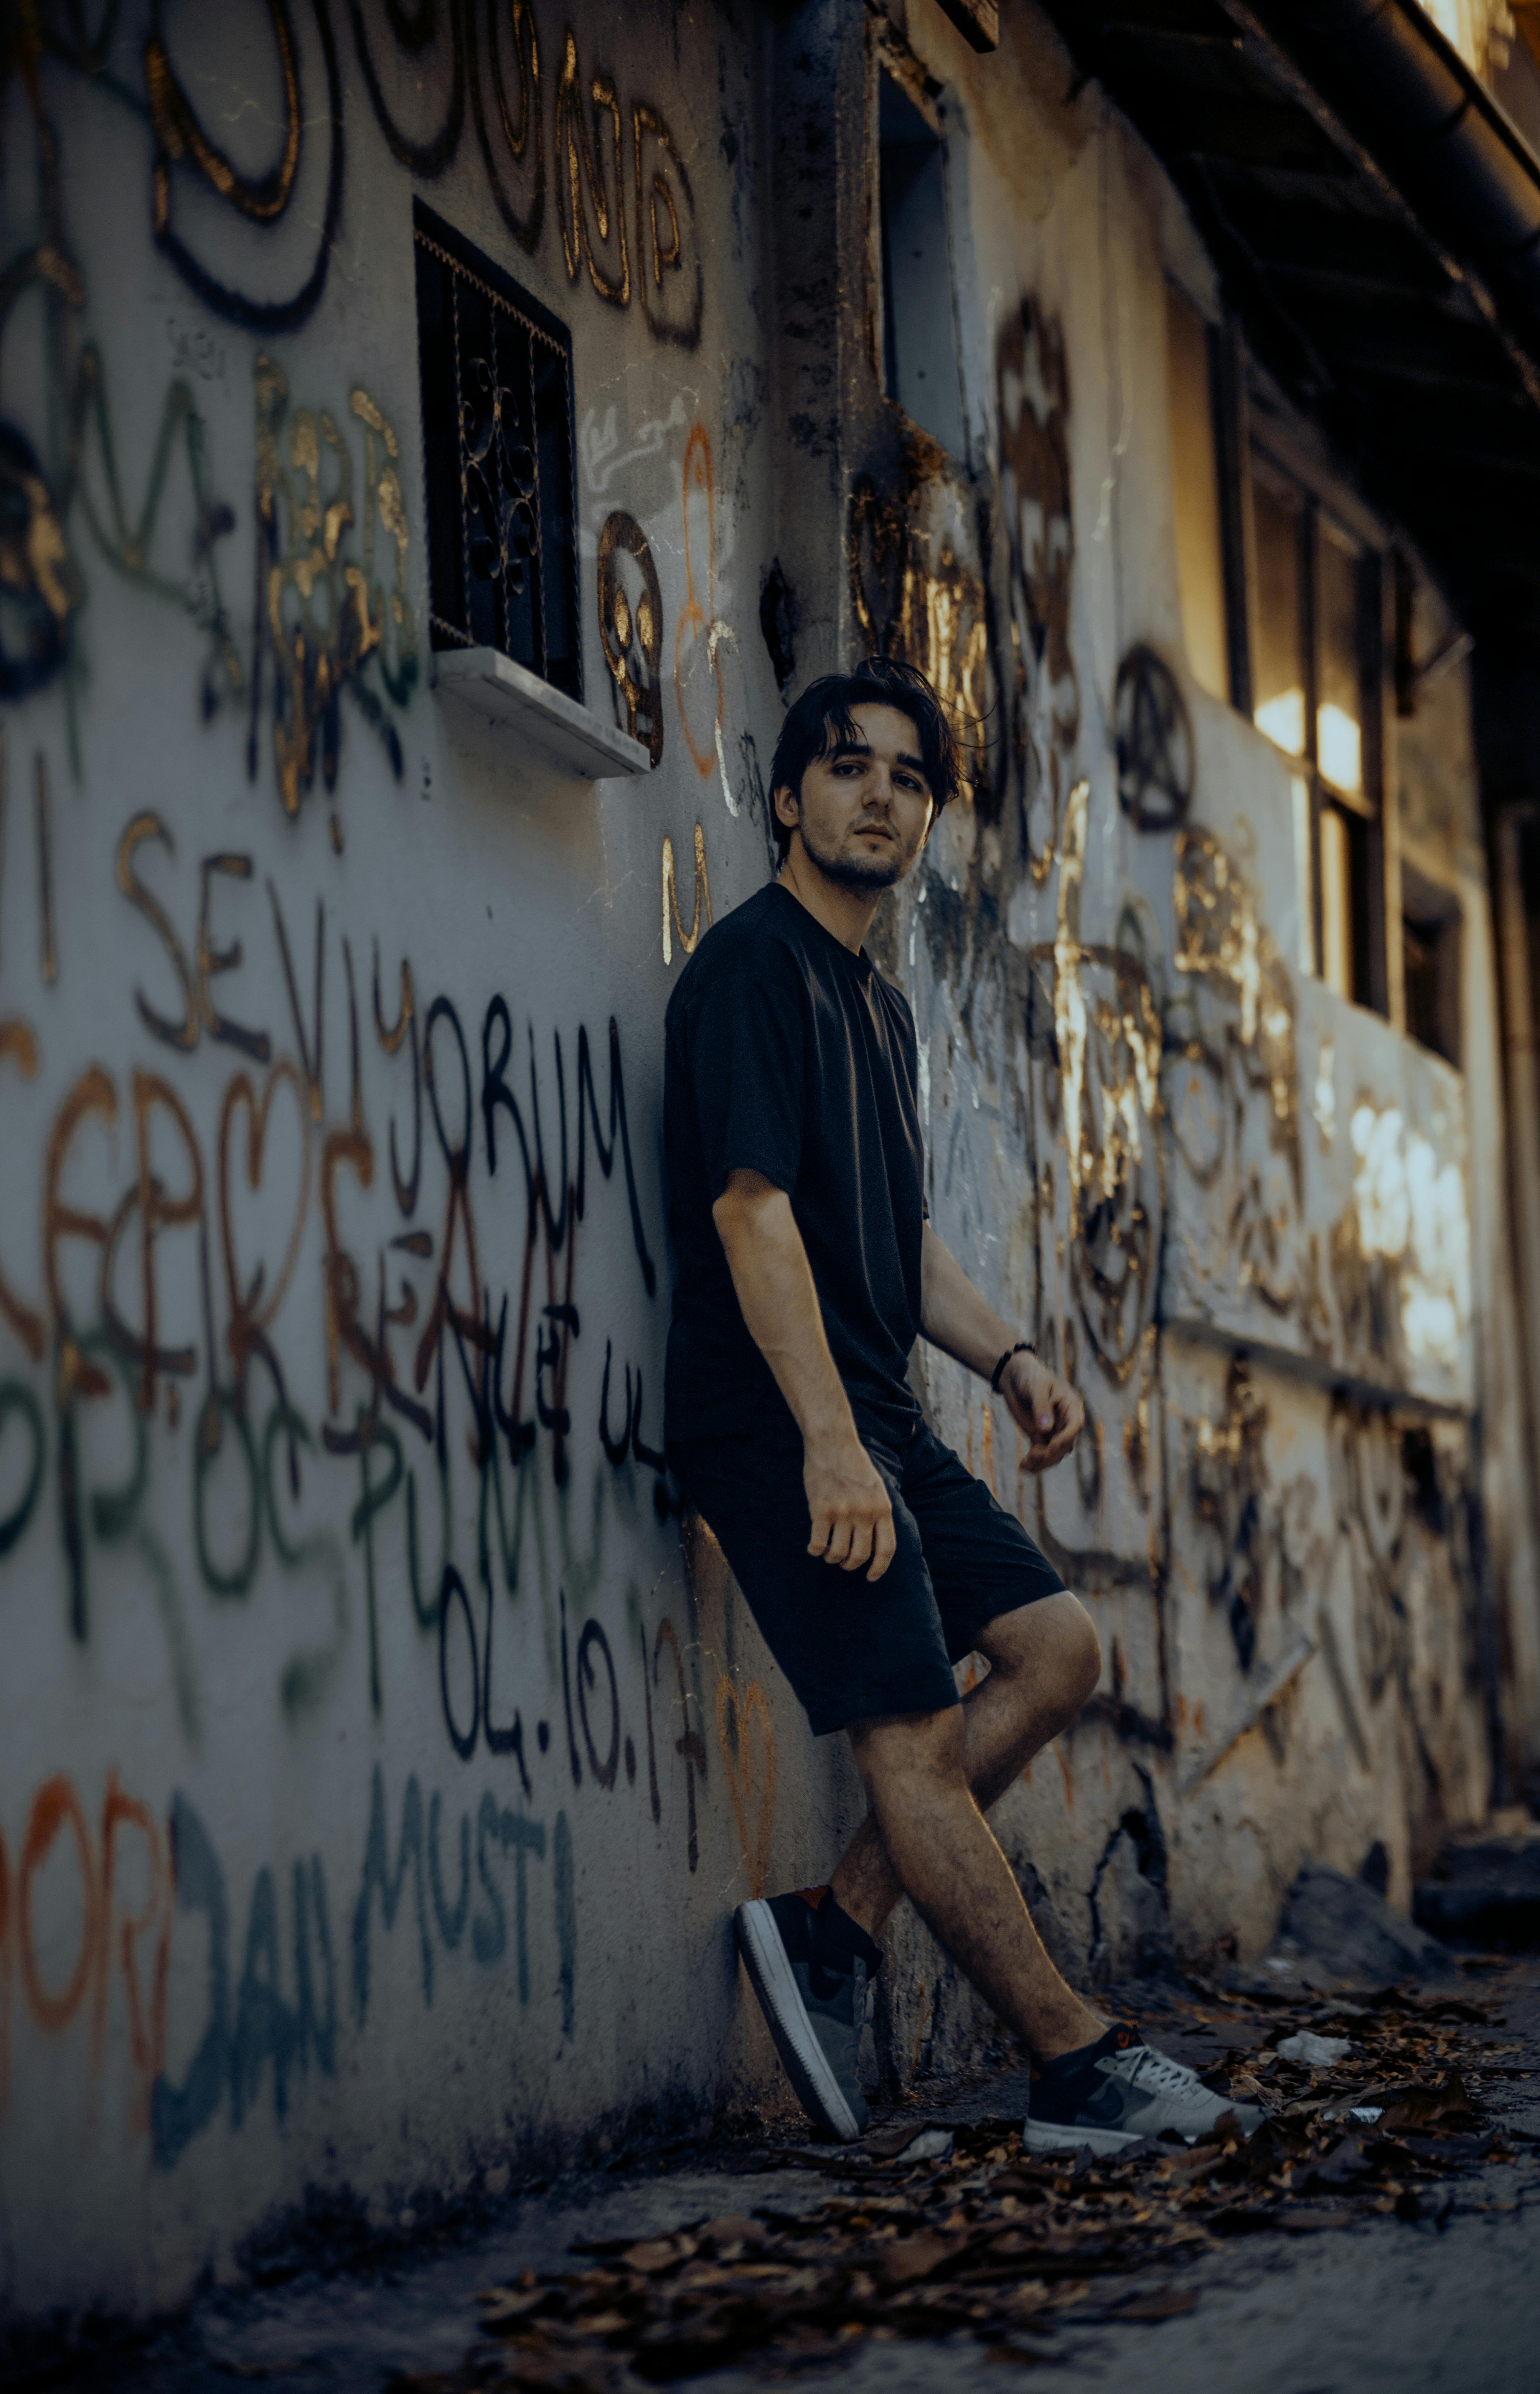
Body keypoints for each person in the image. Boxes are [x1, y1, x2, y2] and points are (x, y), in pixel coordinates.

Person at [662, 656, 1258, 2154]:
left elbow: (895, 1229)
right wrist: (822, 1445)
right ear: (787, 799)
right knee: (913, 1738)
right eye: (848, 765)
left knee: (1056, 1650)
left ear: (925, 819)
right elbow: (750, 1215)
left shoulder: (874, 1006)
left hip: (881, 1410)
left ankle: (831, 1926)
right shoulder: (746, 969)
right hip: (781, 1418)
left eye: (908, 776)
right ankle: (1072, 2058)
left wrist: (1008, 1357)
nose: (880, 792)